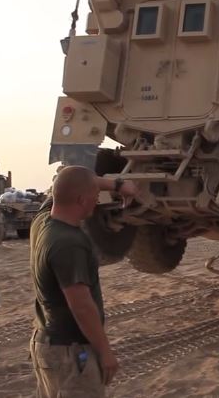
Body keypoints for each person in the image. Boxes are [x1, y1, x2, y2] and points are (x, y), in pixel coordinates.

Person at [29, 166, 137, 397]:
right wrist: (105, 352)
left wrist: (118, 185)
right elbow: (81, 306)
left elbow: (69, 181)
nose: (97, 199)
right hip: (71, 352)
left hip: (46, 345)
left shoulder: (41, 222)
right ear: (81, 199)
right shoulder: (69, 243)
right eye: (94, 196)